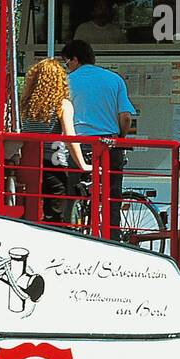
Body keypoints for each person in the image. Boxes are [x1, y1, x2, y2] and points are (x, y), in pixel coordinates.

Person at [60, 38, 136, 238]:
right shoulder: (114, 79)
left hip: (79, 144)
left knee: (72, 193)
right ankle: (113, 238)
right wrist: (120, 136)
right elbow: (126, 117)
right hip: (110, 144)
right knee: (111, 196)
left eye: (67, 63)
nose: (67, 68)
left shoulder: (68, 82)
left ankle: (70, 234)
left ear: (74, 59)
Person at [18, 58, 90, 225]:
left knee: (30, 210)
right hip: (53, 163)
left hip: (29, 164)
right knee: (55, 214)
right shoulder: (62, 104)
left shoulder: (29, 104)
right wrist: (82, 164)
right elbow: (70, 136)